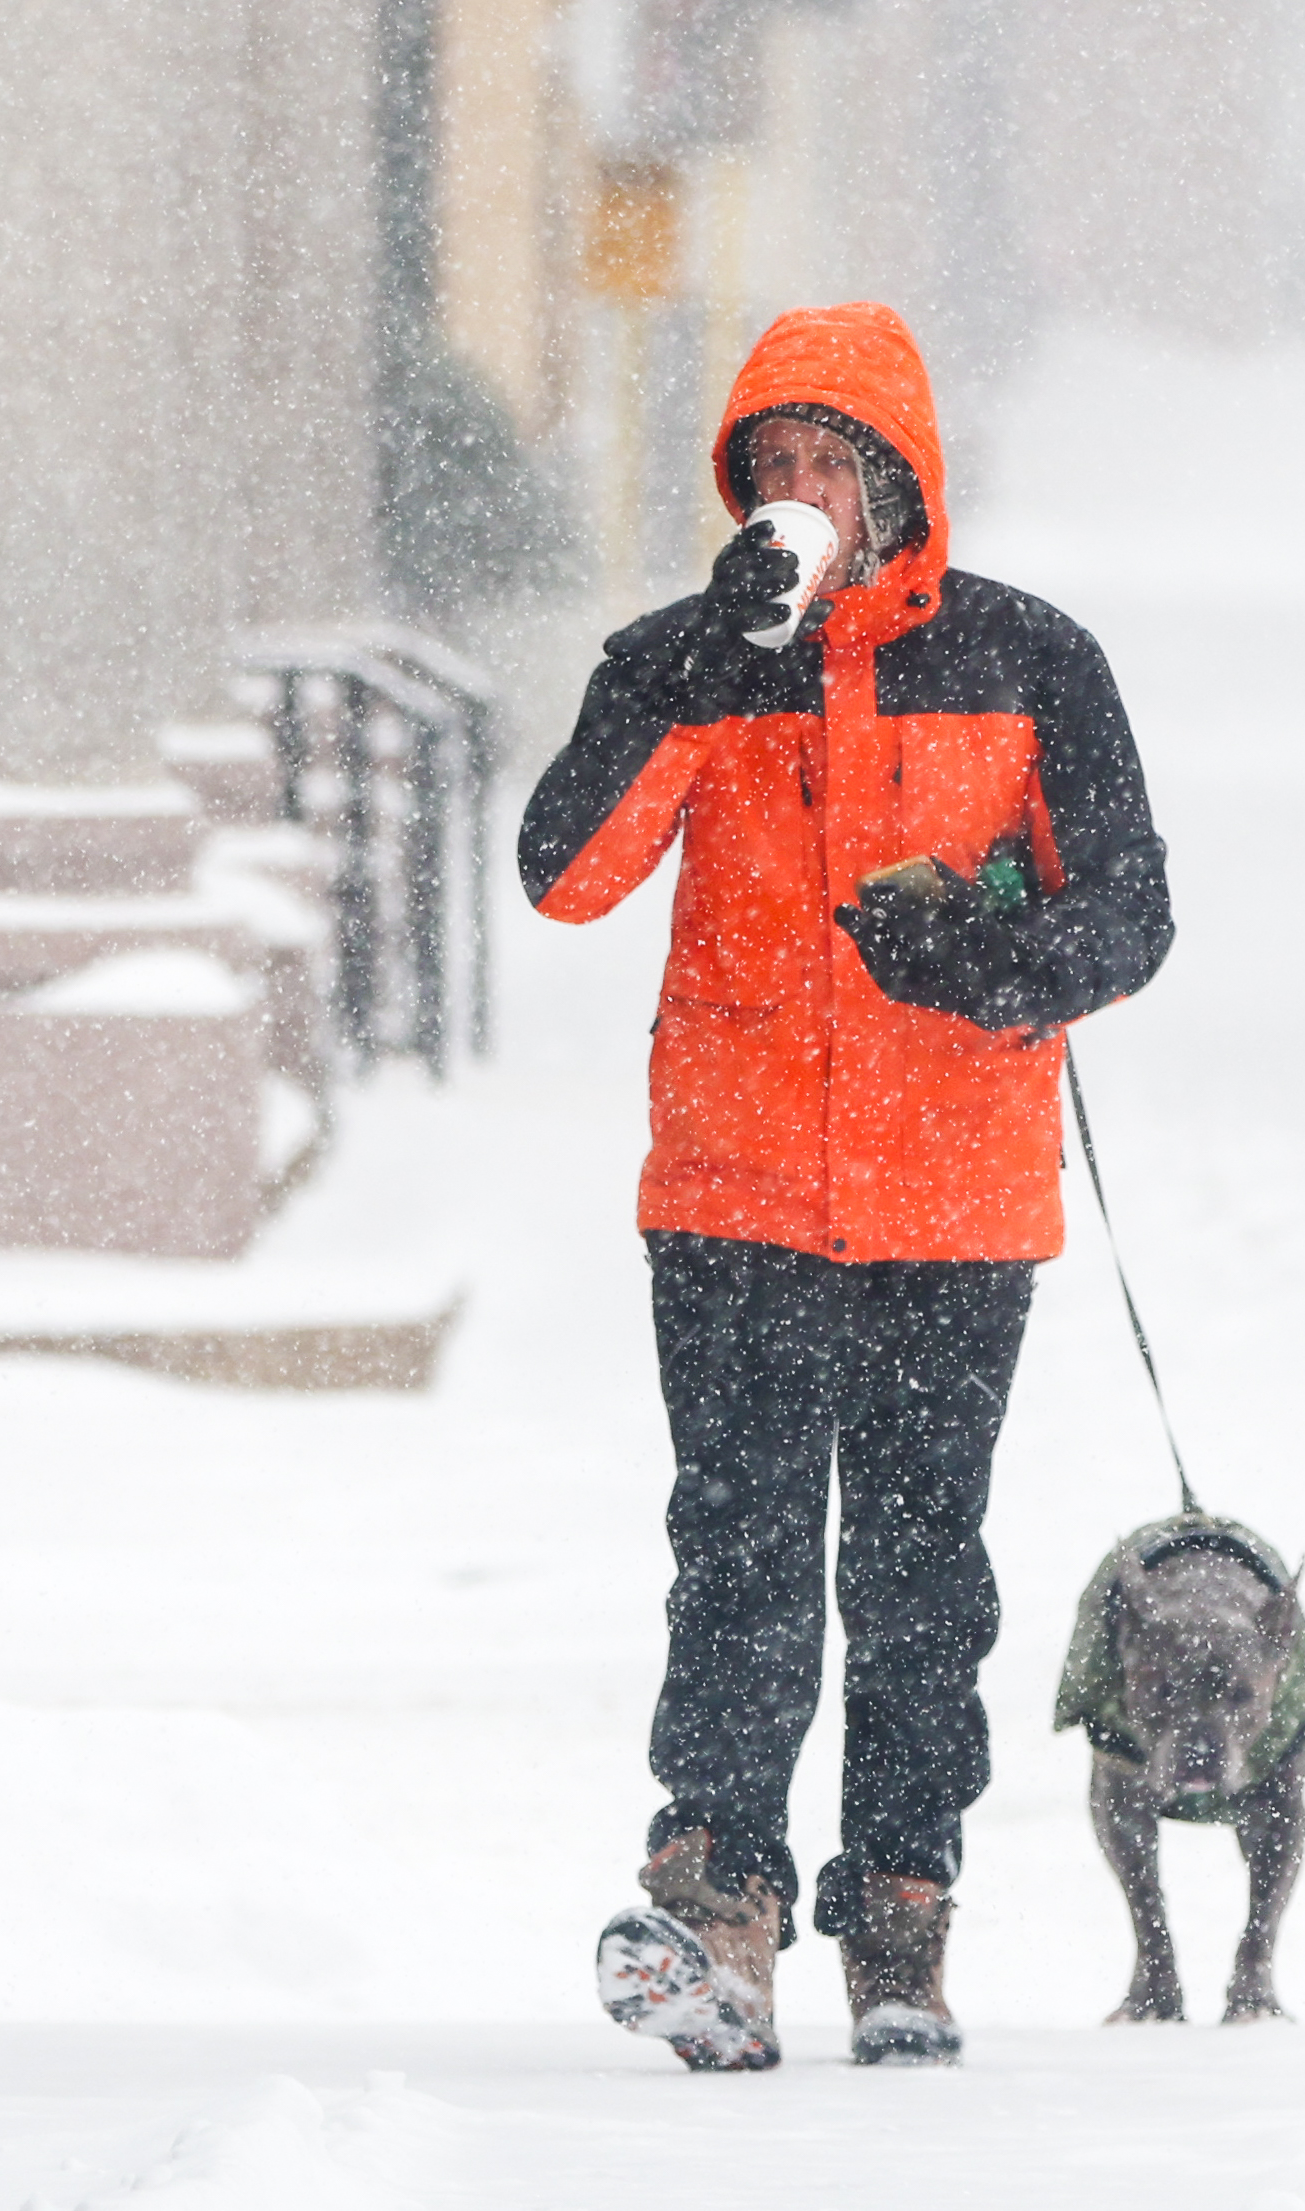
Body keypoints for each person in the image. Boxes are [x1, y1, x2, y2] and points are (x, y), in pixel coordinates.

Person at [521, 302, 1174, 2071]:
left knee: (915, 1577)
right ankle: (718, 1900)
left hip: (954, 1202)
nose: (798, 495)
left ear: (898, 487)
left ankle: (900, 1909)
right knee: (732, 1559)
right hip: (732, 1192)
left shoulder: (1031, 660)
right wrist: (689, 679)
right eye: (771, 470)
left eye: (830, 465)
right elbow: (565, 875)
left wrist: (986, 955)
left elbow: (1128, 913)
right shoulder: (682, 659)